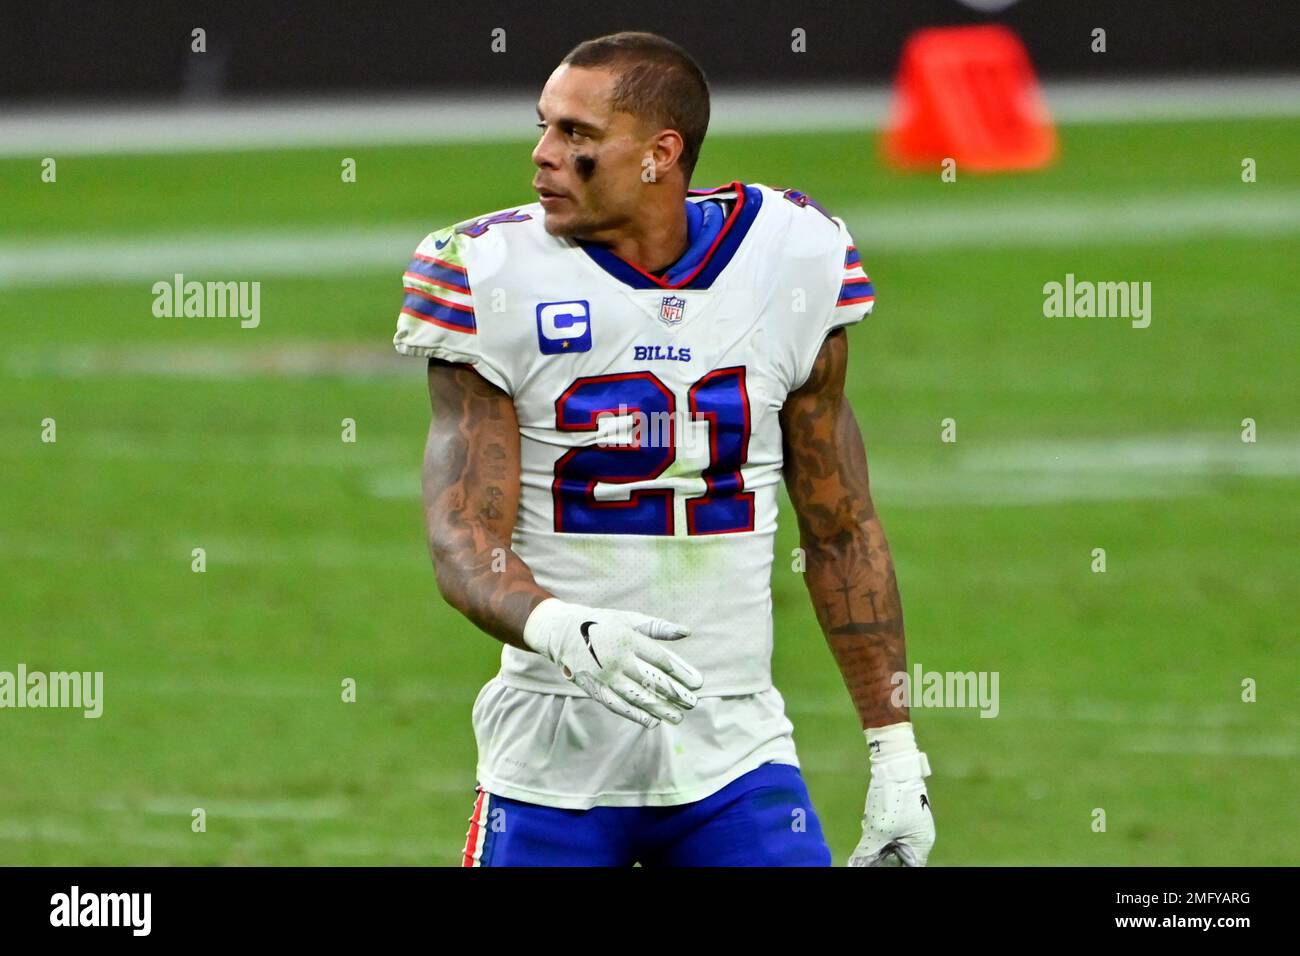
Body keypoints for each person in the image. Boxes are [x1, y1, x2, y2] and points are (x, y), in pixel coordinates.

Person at [393, 31, 934, 867]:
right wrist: (562, 629)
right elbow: (461, 537)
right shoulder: (487, 272)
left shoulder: (790, 257)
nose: (541, 156)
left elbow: (842, 527)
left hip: (737, 749)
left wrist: (895, 751)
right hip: (552, 756)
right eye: (543, 127)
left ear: (660, 154)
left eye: (576, 136)